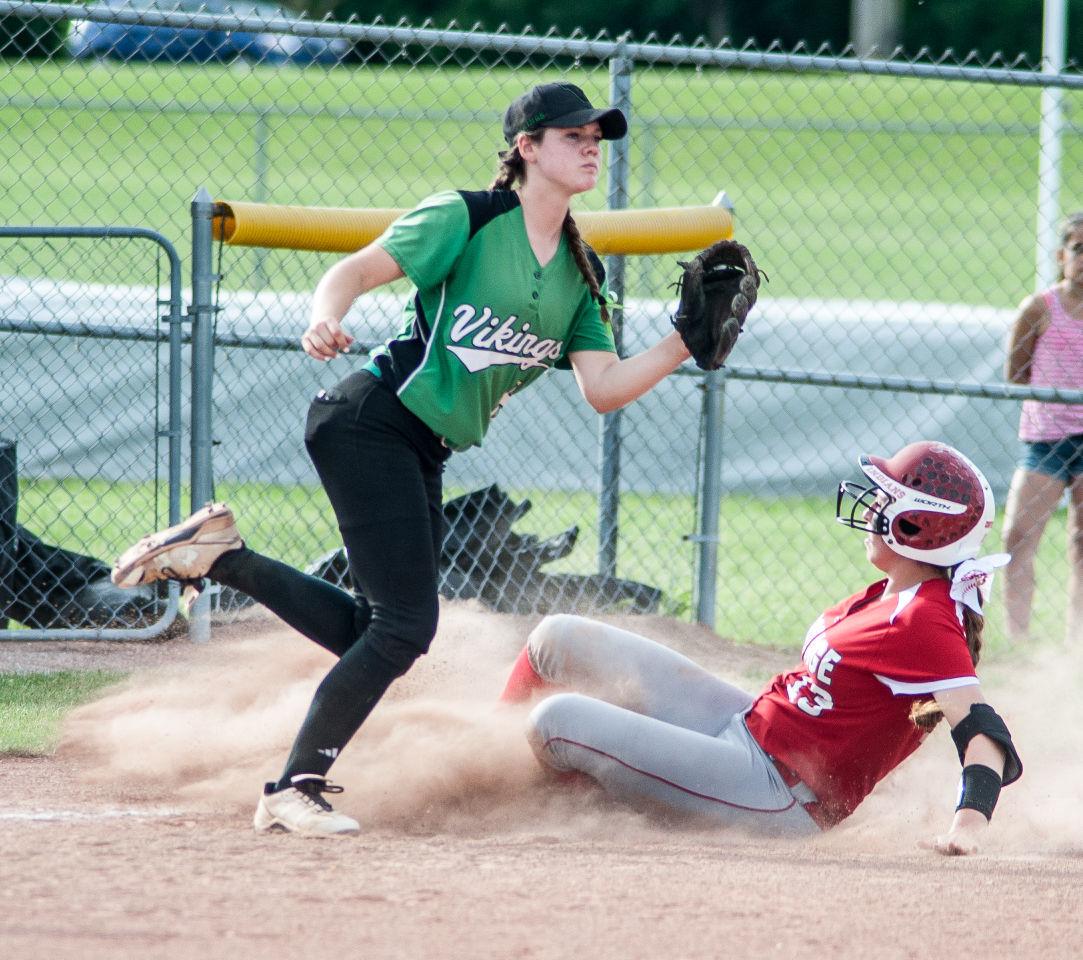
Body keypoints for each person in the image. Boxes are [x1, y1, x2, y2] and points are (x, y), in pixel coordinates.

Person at [110, 82, 701, 837]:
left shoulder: (580, 275)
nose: (591, 146)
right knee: (400, 628)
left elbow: (605, 388)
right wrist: (326, 319)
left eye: (597, 136)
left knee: (387, 632)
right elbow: (351, 272)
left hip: (420, 444)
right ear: (526, 148)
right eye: (572, 135)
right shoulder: (465, 217)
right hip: (368, 420)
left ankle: (222, 558)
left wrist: (684, 342)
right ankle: (292, 787)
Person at [500, 441, 1023, 855]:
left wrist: (969, 824)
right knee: (558, 637)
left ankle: (522, 806)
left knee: (558, 720)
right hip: (750, 727)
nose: (872, 506)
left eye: (889, 500)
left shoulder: (925, 618)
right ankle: (482, 749)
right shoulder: (896, 591)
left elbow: (982, 730)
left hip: (775, 794)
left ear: (918, 527)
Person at [1002, 211, 1083, 645]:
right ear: (1061, 254)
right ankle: (1019, 640)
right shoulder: (1040, 308)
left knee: (1081, 542)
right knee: (1017, 537)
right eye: (1079, 248)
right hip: (1046, 440)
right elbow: (1017, 371)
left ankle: (1077, 645)